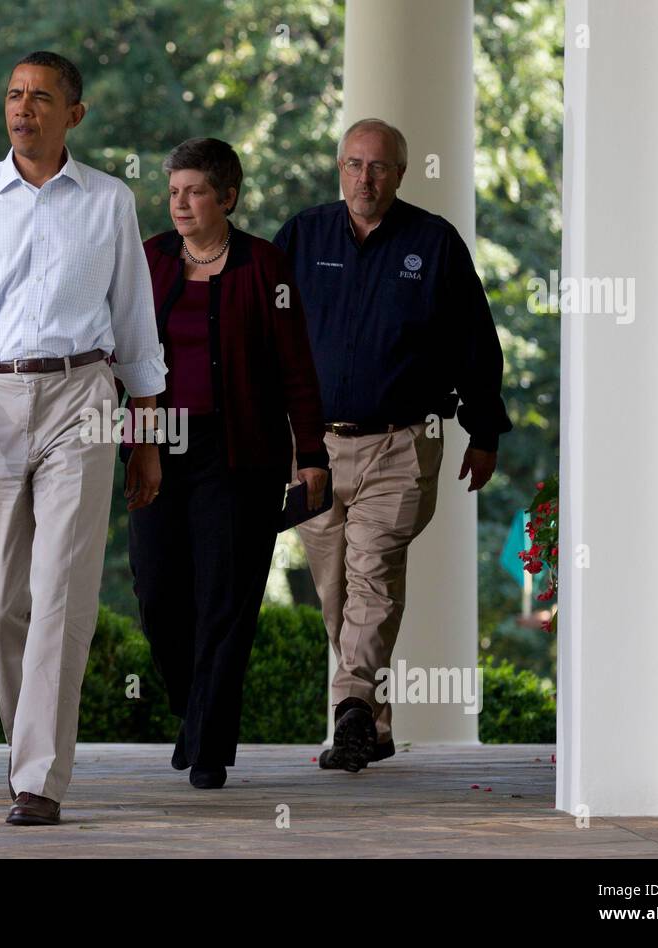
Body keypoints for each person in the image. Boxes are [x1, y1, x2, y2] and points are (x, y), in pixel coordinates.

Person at [0, 51, 167, 825]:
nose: (24, 108)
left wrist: (144, 436)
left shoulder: (110, 202)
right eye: (14, 95)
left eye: (42, 97)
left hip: (85, 395)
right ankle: (28, 743)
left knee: (62, 592)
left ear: (73, 115)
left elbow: (137, 327)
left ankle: (40, 779)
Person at [273, 118, 512, 774]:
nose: (364, 178)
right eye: (353, 164)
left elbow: (475, 342)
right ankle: (372, 721)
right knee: (335, 592)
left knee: (371, 575)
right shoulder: (301, 236)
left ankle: (348, 708)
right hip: (314, 448)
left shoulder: (433, 245)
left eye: (378, 167)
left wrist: (484, 429)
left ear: (400, 174)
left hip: (402, 444)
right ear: (338, 168)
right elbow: (266, 335)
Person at [119, 137, 329, 789]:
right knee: (156, 595)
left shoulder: (266, 266)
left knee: (227, 599)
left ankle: (209, 746)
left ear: (227, 197)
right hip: (158, 445)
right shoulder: (148, 260)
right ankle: (195, 710)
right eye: (174, 191)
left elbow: (296, 366)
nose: (180, 203)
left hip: (242, 454)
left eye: (195, 191)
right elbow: (113, 348)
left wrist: (312, 456)